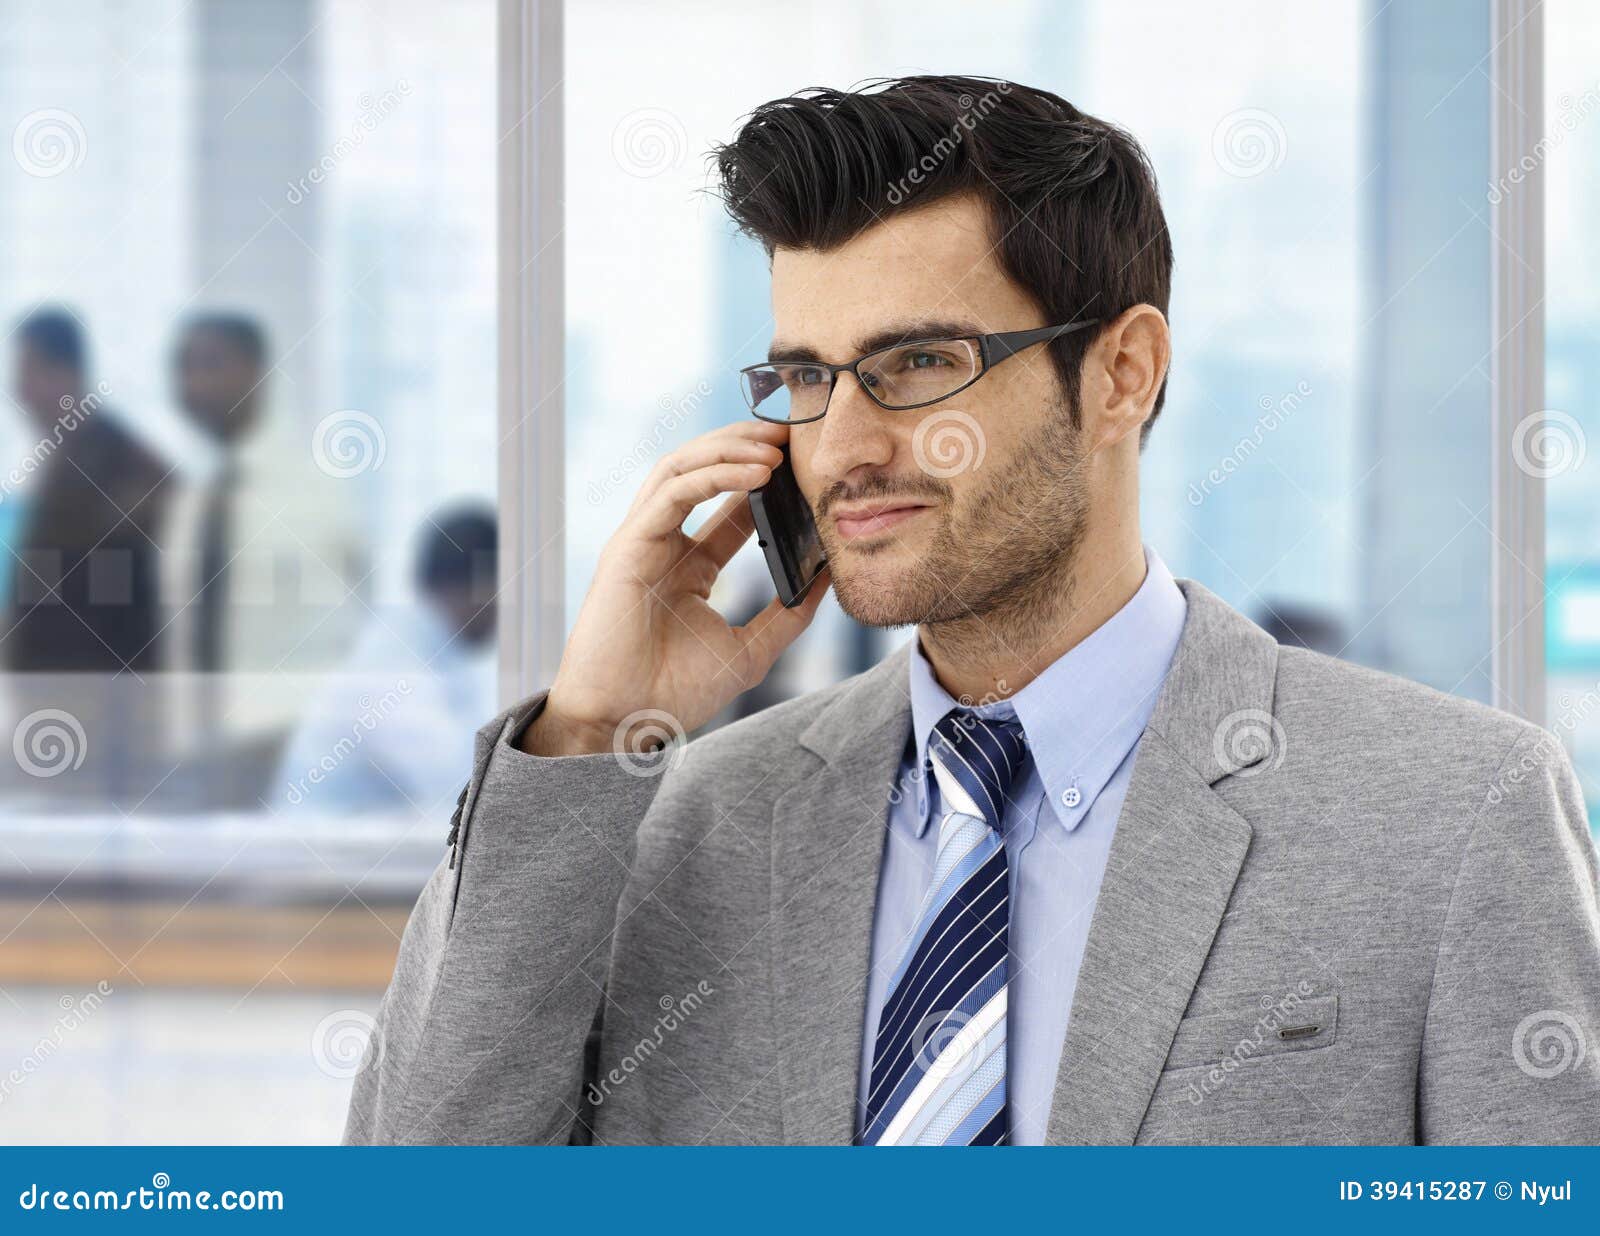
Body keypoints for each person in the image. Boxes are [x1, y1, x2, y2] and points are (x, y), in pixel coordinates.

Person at [346, 77, 1600, 1146]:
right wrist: (586, 732)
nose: (839, 449)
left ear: (1120, 374)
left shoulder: (1453, 812)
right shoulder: (679, 824)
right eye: (803, 378)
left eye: (916, 366)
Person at [274, 506, 496, 811]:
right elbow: (463, 785)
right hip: (317, 852)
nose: (504, 613)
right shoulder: (395, 665)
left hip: (352, 848)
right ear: (478, 586)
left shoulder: (431, 652)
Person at [4, 308, 170, 674]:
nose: (19, 391)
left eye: (27, 371)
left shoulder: (122, 461)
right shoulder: (61, 457)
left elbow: (131, 603)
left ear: (66, 373)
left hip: (100, 693)